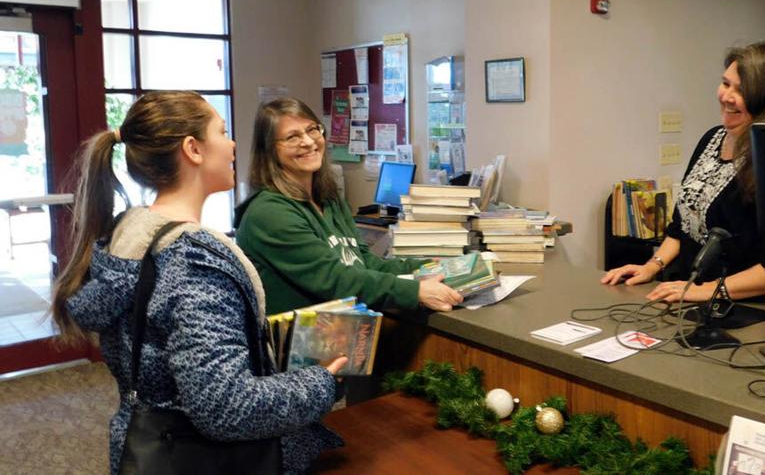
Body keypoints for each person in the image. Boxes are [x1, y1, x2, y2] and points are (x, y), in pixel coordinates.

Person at [51, 91, 347, 474]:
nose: (233, 144)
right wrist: (321, 381)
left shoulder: (131, 240)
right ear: (193, 149)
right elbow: (227, 407)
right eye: (222, 132)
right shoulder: (194, 265)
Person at [601, 41, 765, 302]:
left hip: (758, 310)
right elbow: (681, 226)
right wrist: (651, 266)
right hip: (694, 296)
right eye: (726, 83)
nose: (727, 96)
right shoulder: (712, 138)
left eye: (741, 90)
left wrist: (706, 290)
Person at [234, 98, 462, 315]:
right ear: (270, 150)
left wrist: (427, 267)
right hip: (302, 350)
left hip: (344, 338)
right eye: (292, 137)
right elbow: (335, 280)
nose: (309, 142)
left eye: (312, 130)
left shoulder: (328, 199)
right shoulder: (269, 214)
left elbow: (363, 262)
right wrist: (415, 292)